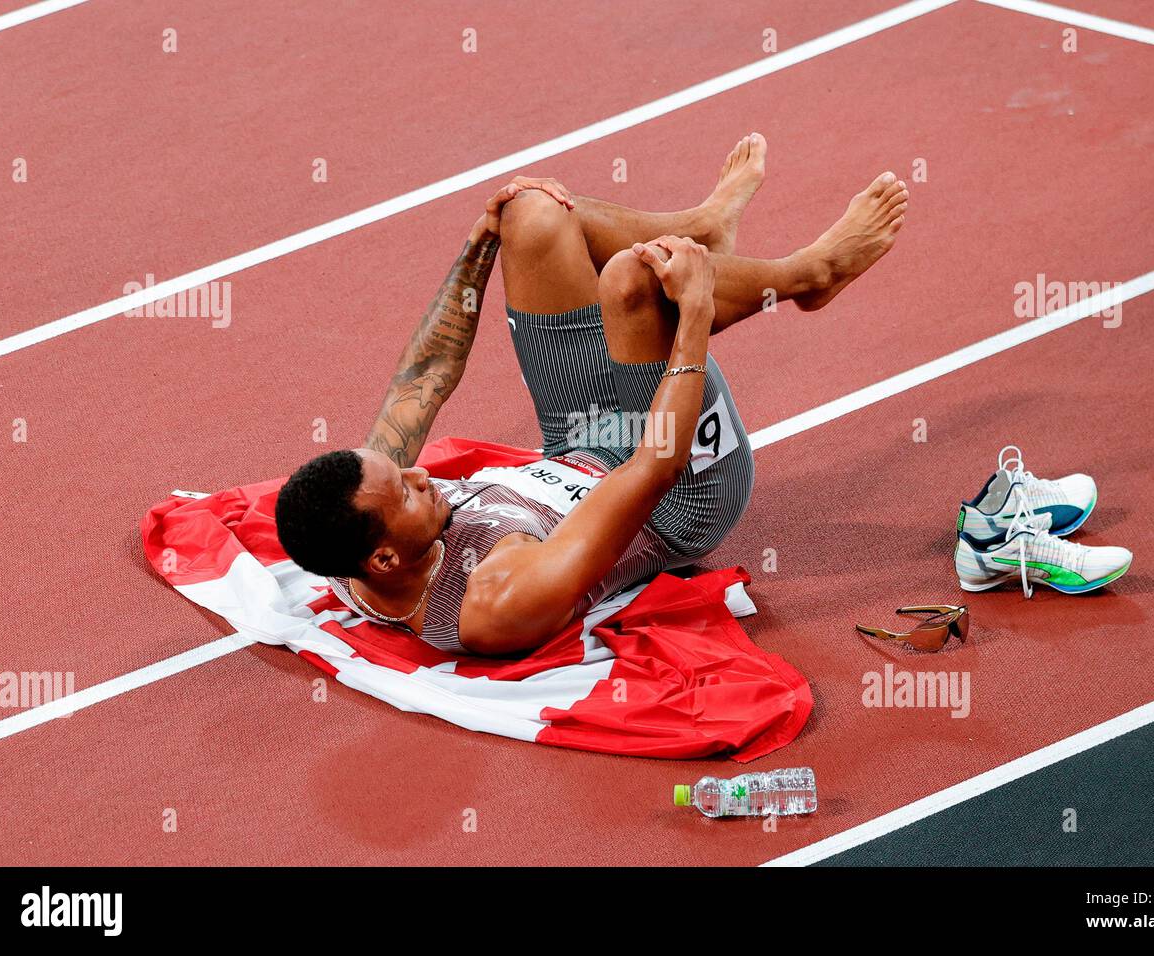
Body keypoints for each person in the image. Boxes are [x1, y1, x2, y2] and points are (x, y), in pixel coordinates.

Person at [275, 134, 908, 654]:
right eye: (408, 491)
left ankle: (703, 227)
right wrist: (694, 316)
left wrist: (478, 245)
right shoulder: (497, 600)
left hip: (577, 437)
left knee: (530, 212)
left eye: (403, 472)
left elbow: (425, 375)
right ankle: (811, 275)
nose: (420, 473)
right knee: (635, 282)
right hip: (677, 495)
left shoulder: (359, 521)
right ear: (385, 560)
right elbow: (653, 467)